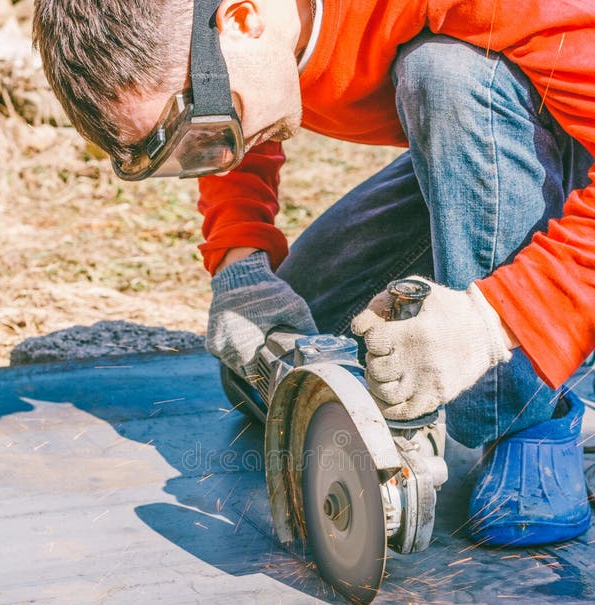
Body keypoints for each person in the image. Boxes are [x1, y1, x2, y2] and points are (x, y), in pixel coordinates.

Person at [33, 0, 594, 547]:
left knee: (444, 75)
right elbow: (224, 138)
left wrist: (496, 320)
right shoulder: (228, 38)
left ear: (243, 18)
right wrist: (240, 263)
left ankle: (530, 416)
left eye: (207, 131)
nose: (215, 156)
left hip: (571, 145)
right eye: (195, 146)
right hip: (492, 149)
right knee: (298, 351)